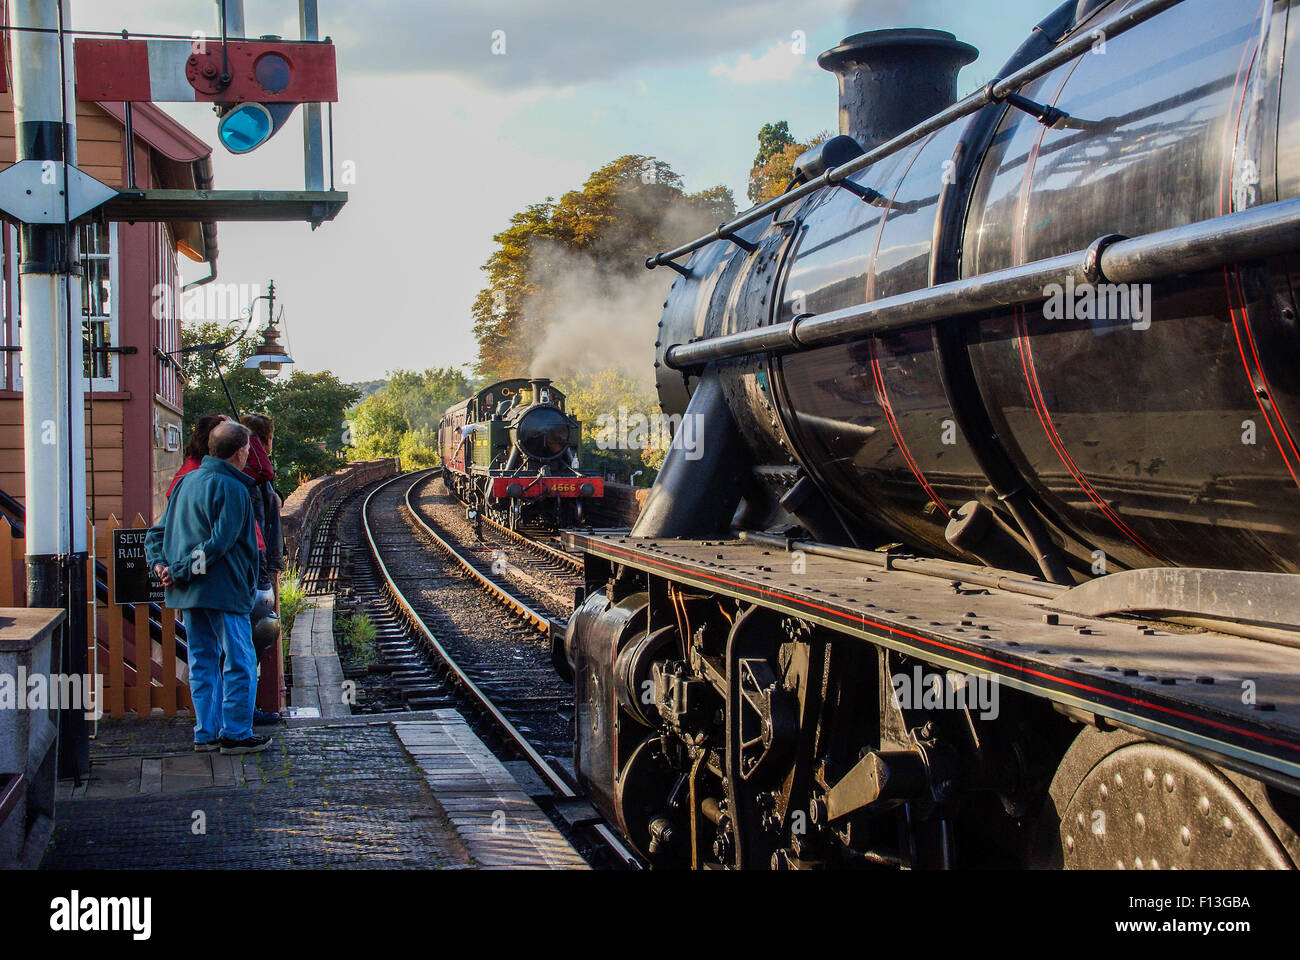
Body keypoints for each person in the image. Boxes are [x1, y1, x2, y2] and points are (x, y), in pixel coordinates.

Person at [145, 421, 270, 755]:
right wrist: (182, 570)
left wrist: (162, 567)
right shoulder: (233, 489)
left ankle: (206, 731)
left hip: (188, 594)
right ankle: (237, 733)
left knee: (201, 661)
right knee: (240, 660)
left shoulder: (185, 482)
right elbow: (220, 544)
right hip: (223, 590)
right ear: (242, 450)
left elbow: (156, 534)